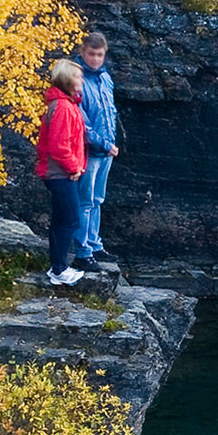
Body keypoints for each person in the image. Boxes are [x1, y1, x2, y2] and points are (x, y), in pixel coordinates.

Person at [38, 58, 90, 286]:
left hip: (61, 173)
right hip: (60, 174)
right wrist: (74, 168)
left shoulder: (67, 105)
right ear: (67, 79)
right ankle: (59, 269)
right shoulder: (62, 107)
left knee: (62, 220)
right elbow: (60, 146)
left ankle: (57, 267)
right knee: (70, 220)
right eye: (78, 76)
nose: (82, 80)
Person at [77, 30, 120, 263]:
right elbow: (82, 124)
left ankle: (94, 244)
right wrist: (104, 144)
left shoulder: (105, 78)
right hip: (90, 151)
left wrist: (111, 142)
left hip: (107, 150)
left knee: (97, 199)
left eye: (100, 55)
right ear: (83, 52)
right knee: (85, 201)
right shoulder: (77, 80)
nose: (95, 59)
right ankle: (83, 251)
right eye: (92, 54)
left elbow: (110, 111)